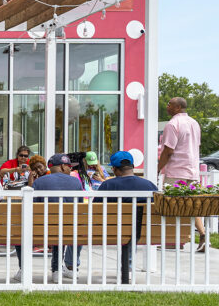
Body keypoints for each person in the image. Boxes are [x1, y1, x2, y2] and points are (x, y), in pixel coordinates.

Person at [97, 150, 158, 284]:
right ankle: (128, 268)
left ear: (114, 169)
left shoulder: (108, 185)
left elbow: (95, 210)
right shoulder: (149, 185)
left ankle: (70, 265)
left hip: (112, 231)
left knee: (126, 229)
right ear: (133, 167)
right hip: (146, 231)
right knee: (134, 229)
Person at [158, 97, 207, 251]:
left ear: (178, 107)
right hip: (192, 170)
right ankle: (203, 234)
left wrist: (158, 168)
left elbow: (168, 150)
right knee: (192, 205)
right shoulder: (194, 123)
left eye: (169, 104)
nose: (167, 106)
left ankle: (173, 241)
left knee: (172, 206)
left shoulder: (173, 124)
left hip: (176, 171)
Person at [28, 153, 85, 283]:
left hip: (42, 230)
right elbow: (80, 207)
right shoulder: (76, 182)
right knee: (73, 228)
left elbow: (32, 207)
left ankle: (54, 270)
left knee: (57, 229)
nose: (71, 169)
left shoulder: (39, 182)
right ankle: (69, 267)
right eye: (69, 166)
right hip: (70, 229)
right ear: (63, 166)